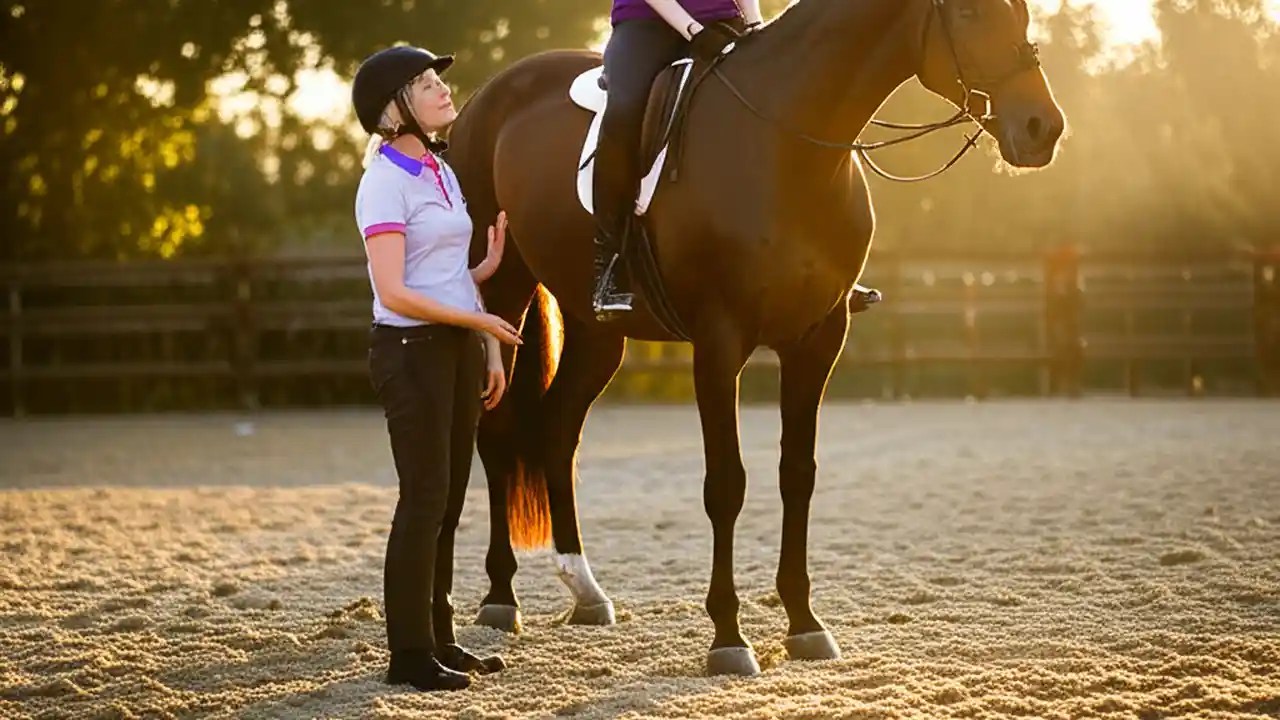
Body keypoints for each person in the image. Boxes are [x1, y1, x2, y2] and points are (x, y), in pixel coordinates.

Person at [352, 45, 521, 692]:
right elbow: (393, 292)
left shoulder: (440, 172)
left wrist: (483, 307)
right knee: (422, 501)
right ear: (395, 111)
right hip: (409, 352)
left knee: (448, 501)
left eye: (437, 80)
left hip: (451, 345)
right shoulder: (384, 181)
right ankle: (409, 655)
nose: (442, 90)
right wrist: (481, 323)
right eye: (424, 84)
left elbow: (446, 277)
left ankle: (441, 638)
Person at [592, 0, 762, 319]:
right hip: (647, 25)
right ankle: (611, 261)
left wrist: (753, 24)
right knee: (624, 112)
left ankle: (822, 256)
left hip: (725, 20)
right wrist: (693, 31)